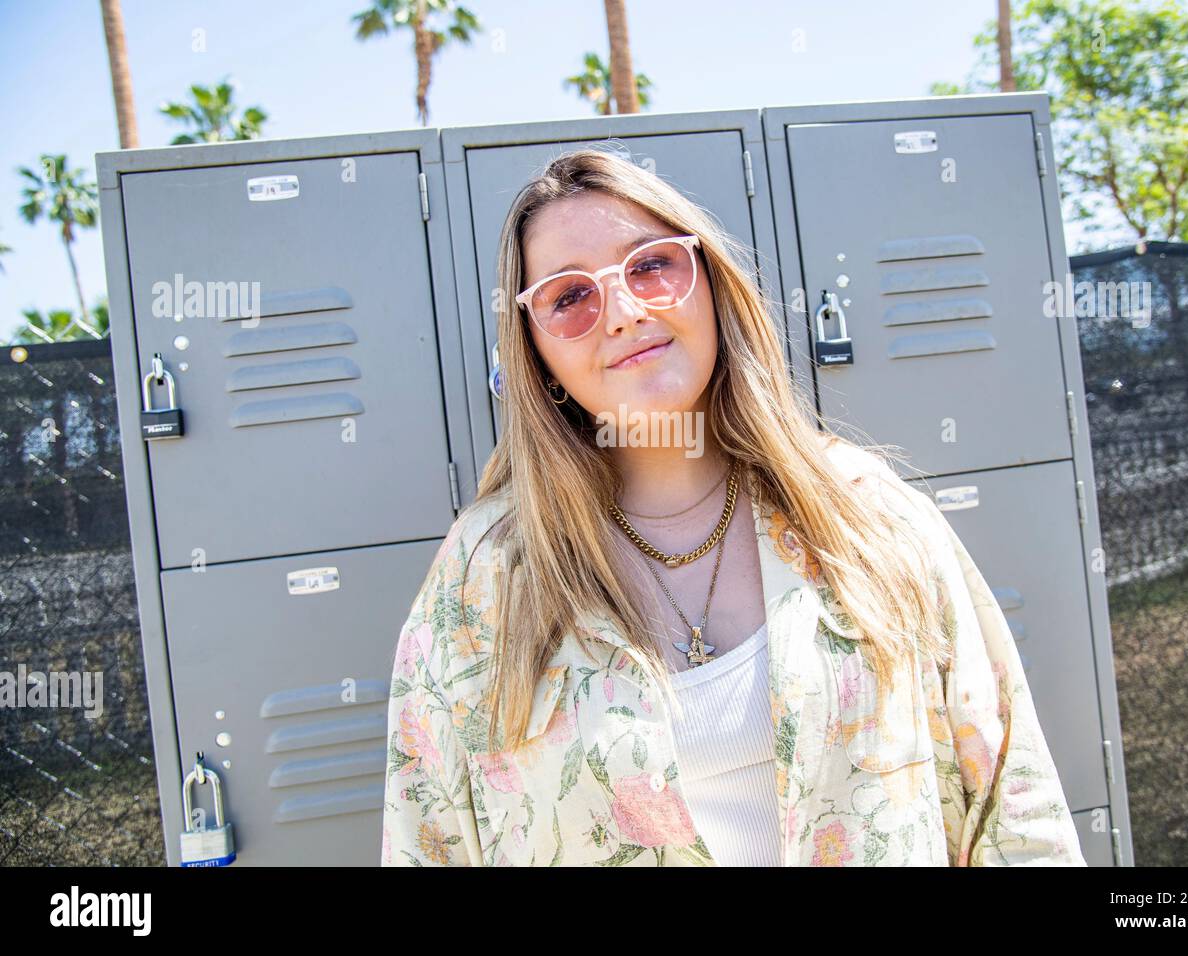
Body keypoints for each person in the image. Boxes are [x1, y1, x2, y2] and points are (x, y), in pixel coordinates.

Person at [381, 147, 1086, 867]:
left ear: (710, 285)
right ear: (534, 354)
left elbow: (1010, 806)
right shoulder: (483, 579)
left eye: (652, 265)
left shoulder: (866, 516)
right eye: (569, 298)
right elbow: (425, 841)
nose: (623, 312)